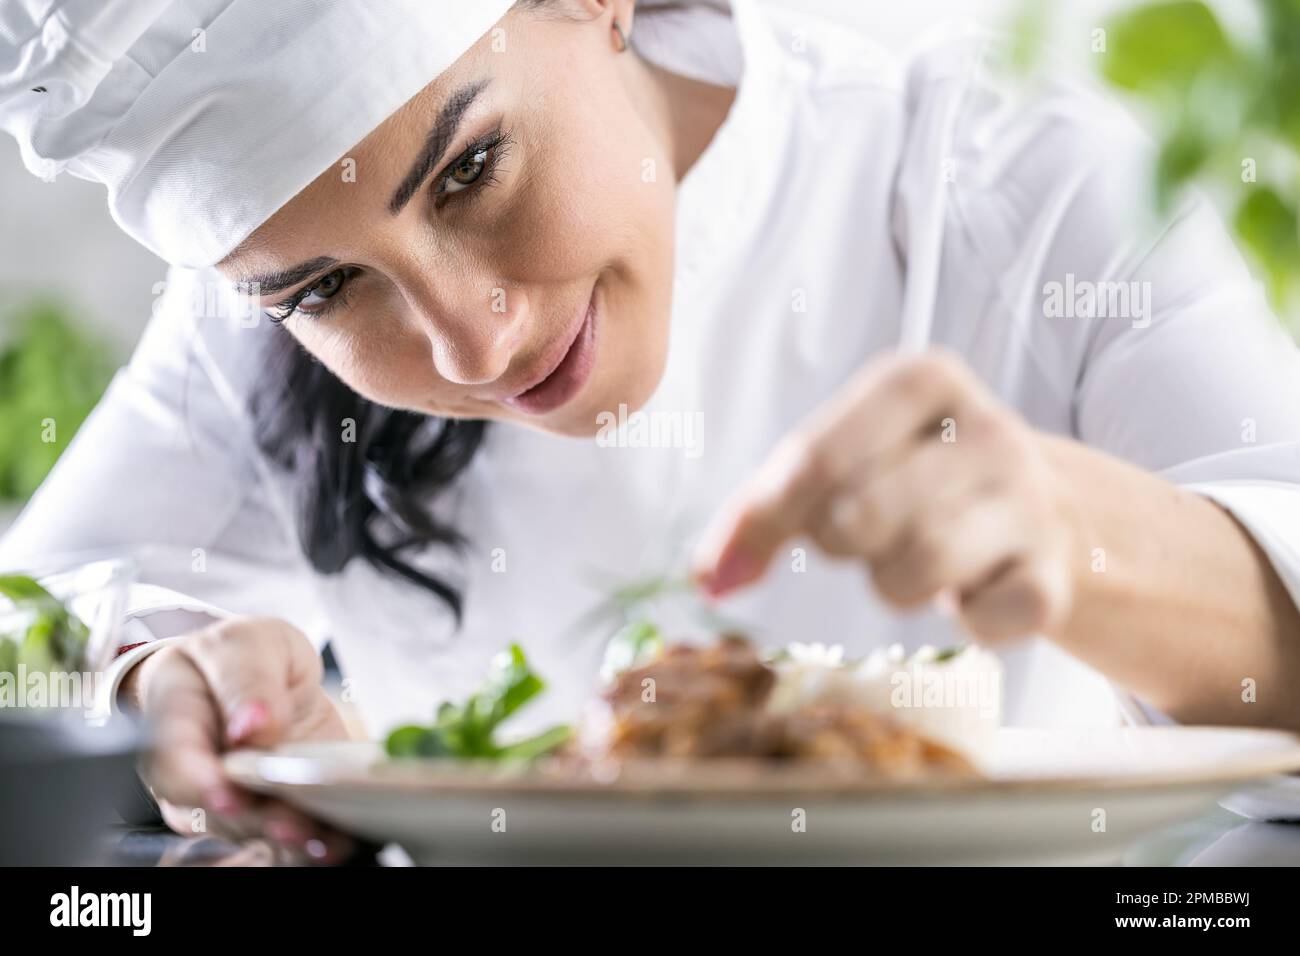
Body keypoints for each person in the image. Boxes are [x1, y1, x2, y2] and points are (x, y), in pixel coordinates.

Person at [4, 0, 1300, 858]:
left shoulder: (1028, 180)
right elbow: (31, 623)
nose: (473, 342)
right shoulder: (250, 339)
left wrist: (1082, 535)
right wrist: (146, 686)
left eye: (470, 170)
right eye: (328, 290)